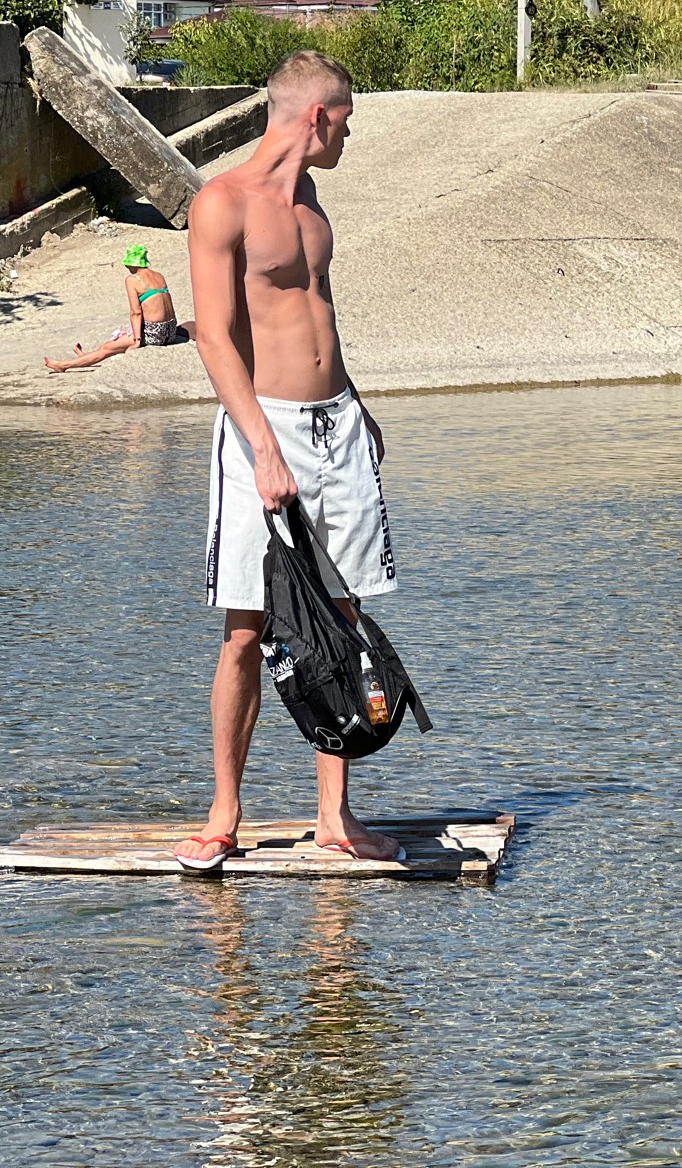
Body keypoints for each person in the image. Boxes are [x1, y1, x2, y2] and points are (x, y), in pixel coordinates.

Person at [173, 50, 402, 872]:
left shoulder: (312, 206)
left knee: (341, 622)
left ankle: (335, 818)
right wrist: (264, 449)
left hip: (336, 424)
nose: (349, 131)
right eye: (345, 117)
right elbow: (214, 336)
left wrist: (359, 403)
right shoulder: (221, 203)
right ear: (315, 117)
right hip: (260, 429)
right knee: (246, 630)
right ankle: (224, 812)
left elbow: (319, 318)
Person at [43, 245, 193, 372]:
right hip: (170, 330)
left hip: (155, 333)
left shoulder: (133, 280)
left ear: (133, 263)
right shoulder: (159, 275)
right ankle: (84, 357)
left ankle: (63, 365)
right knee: (112, 345)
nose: (127, 267)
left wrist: (137, 341)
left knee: (108, 348)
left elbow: (136, 312)